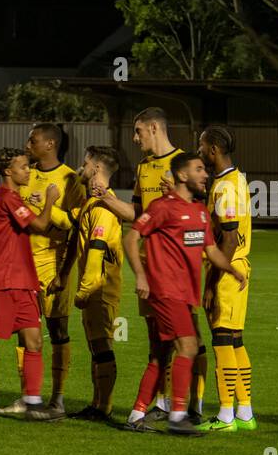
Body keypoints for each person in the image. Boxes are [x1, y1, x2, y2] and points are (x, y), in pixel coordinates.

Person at [121, 153, 246, 435]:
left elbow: (212, 251)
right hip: (165, 291)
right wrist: (141, 274)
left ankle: (135, 415)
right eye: (198, 169)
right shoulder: (162, 207)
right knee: (189, 347)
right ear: (181, 175)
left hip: (184, 294)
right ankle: (178, 415)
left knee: (160, 355)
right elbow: (131, 237)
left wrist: (232, 270)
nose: (205, 174)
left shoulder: (200, 211)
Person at [95, 107, 205, 421]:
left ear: (154, 128)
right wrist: (107, 198)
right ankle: (161, 404)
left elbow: (200, 211)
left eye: (138, 131)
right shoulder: (144, 168)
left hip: (180, 268)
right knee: (157, 339)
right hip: (152, 267)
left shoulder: (185, 163)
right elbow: (137, 215)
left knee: (190, 340)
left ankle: (192, 405)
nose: (135, 137)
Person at [0, 149, 62, 420]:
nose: (29, 170)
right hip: (2, 283)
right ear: (8, 171)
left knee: (34, 341)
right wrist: (51, 200)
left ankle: (32, 402)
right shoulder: (7, 197)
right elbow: (40, 225)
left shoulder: (5, 198)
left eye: (28, 166)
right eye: (23, 167)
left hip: (22, 282)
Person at [0, 123, 77, 417]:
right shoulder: (24, 173)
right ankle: (28, 397)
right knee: (24, 334)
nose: (27, 144)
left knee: (58, 331)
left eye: (32, 140)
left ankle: (58, 398)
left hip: (54, 268)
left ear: (50, 144)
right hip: (23, 269)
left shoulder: (70, 179)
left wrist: (65, 273)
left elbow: (75, 224)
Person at [197, 124, 256, 431]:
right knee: (234, 341)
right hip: (238, 270)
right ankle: (244, 412)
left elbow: (229, 240)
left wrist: (210, 283)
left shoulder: (226, 187)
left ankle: (225, 415)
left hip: (228, 270)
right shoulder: (235, 179)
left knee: (221, 340)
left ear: (214, 150)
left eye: (201, 146)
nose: (199, 152)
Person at [66, 146, 123, 422]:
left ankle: (104, 407)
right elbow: (68, 222)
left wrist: (86, 288)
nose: (81, 167)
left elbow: (98, 249)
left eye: (85, 162)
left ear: (97, 168)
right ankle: (97, 403)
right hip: (94, 288)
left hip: (100, 289)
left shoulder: (103, 206)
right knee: (95, 346)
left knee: (102, 345)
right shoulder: (92, 202)